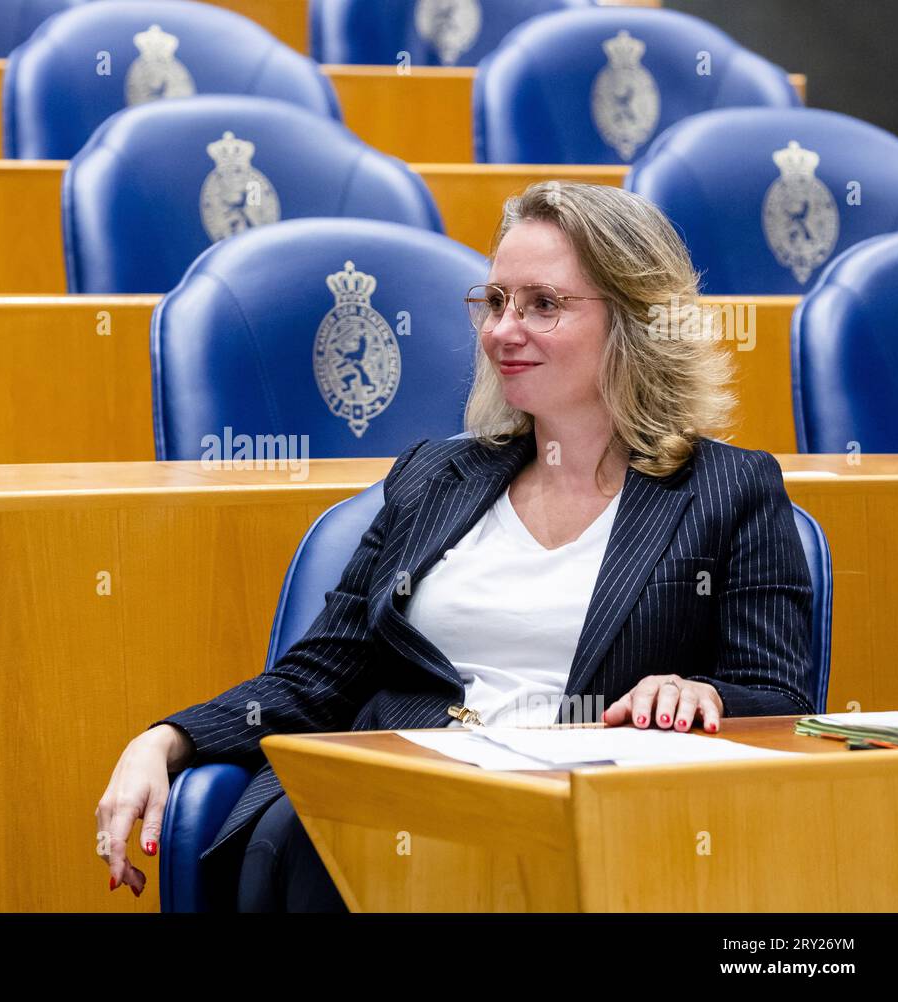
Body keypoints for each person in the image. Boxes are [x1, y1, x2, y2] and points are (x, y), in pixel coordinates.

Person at [95, 181, 816, 911]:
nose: (503, 330)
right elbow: (320, 676)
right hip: (398, 796)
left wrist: (701, 693)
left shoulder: (730, 489)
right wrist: (166, 739)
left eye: (543, 304)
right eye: (496, 301)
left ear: (637, 322)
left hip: (587, 816)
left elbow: (785, 702)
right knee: (320, 845)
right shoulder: (434, 477)